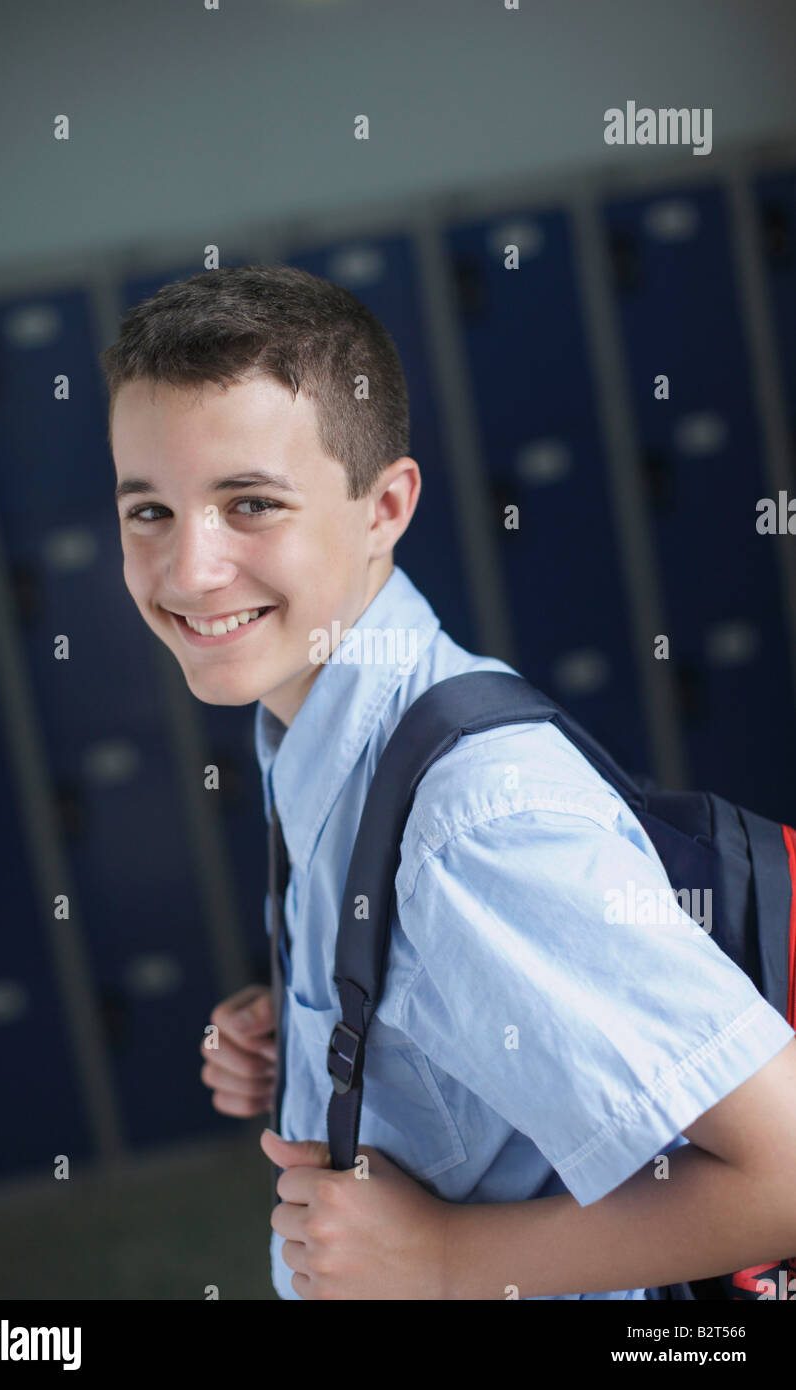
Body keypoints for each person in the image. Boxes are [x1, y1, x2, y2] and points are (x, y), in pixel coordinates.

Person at [102, 265, 796, 1301]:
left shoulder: (470, 824)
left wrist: (440, 1260)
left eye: (250, 503)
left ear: (383, 506)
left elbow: (781, 1174)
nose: (189, 568)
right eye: (149, 510)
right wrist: (312, 1036)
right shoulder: (323, 725)